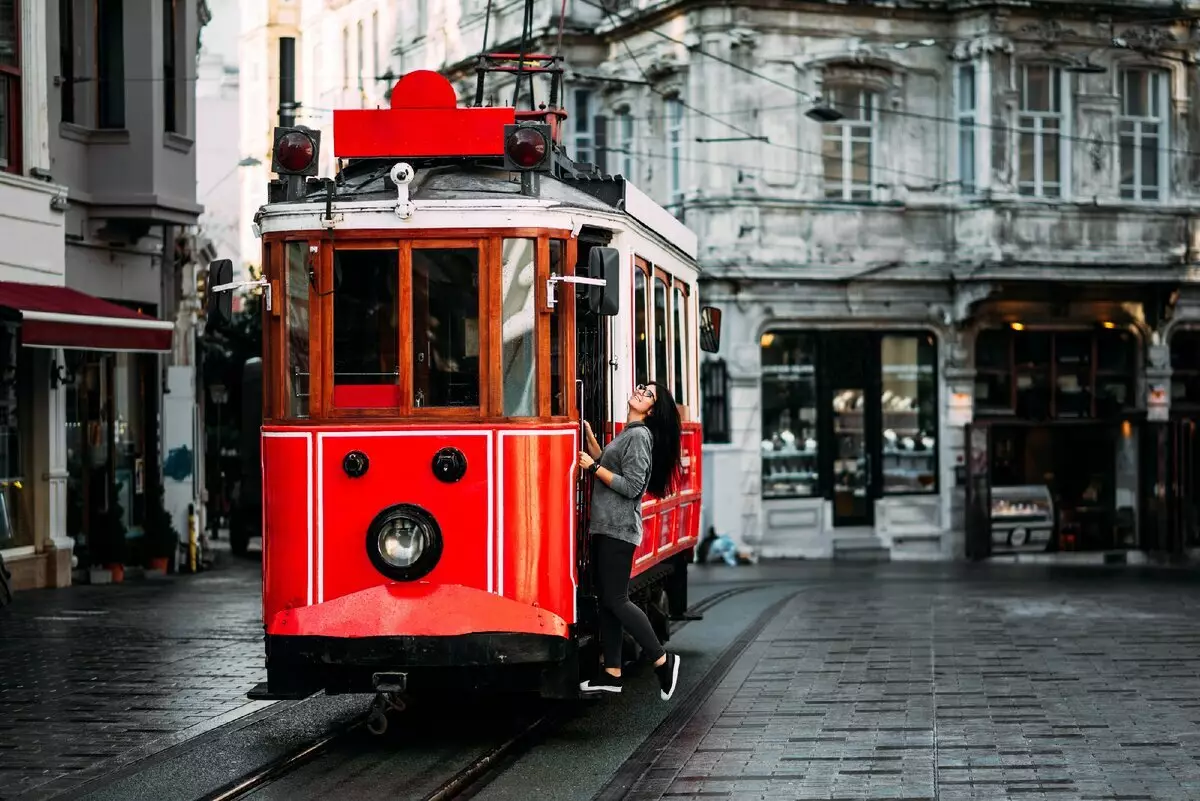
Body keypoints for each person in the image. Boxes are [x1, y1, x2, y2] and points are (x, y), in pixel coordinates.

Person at [577, 381, 683, 700]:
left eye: (647, 394)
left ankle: (663, 661)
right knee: (610, 600)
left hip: (619, 529)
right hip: (608, 526)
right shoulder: (629, 432)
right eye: (641, 387)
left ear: (651, 410)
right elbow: (611, 466)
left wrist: (593, 468)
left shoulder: (639, 436)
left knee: (618, 600)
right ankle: (611, 673)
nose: (640, 392)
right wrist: (590, 438)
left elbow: (633, 487)